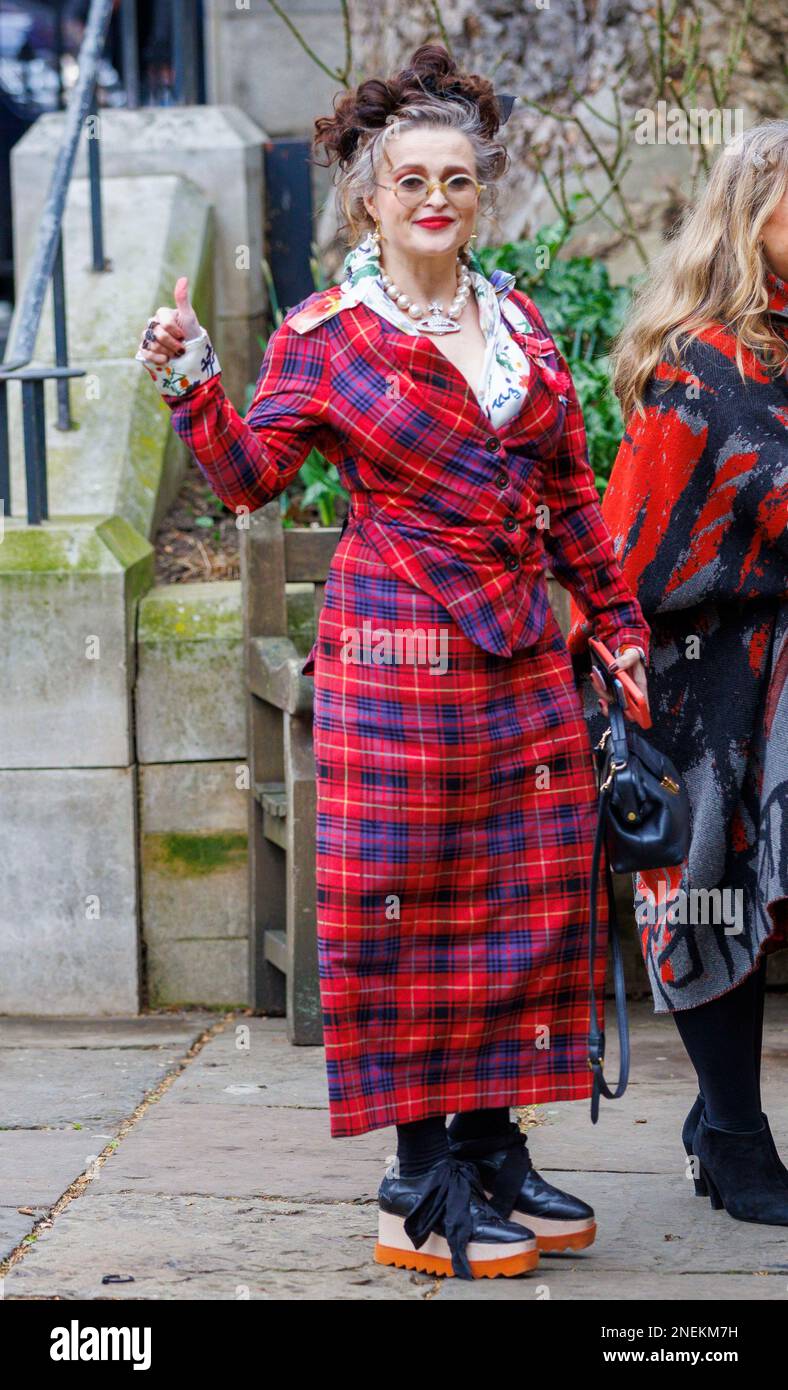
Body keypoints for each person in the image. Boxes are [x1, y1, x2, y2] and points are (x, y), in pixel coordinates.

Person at [135, 44, 651, 1280]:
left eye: (456, 180)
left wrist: (619, 627)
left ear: (481, 196)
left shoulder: (521, 327)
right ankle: (416, 1184)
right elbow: (251, 478)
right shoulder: (325, 336)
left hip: (522, 666)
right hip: (392, 662)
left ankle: (491, 1152)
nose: (434, 198)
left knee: (521, 916)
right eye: (409, 178)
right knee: (408, 918)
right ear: (368, 195)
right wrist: (194, 381)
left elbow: (572, 496)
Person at [567, 120, 788, 1226]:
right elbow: (638, 551)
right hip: (693, 674)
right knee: (710, 893)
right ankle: (733, 1133)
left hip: (777, 668)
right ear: (749, 216)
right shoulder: (702, 361)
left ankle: (726, 1126)